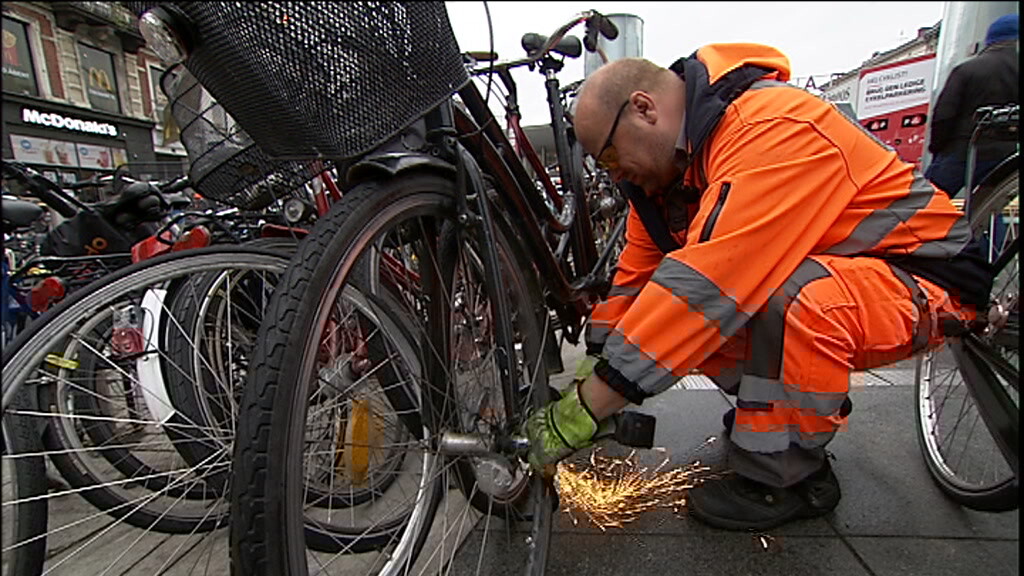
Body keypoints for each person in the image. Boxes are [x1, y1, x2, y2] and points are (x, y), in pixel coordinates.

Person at [523, 45, 994, 531]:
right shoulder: (669, 180)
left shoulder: (769, 126)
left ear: (643, 108)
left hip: (925, 278)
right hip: (848, 275)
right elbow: (635, 286)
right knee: (686, 315)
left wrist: (588, 408)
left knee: (776, 298)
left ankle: (787, 476)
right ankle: (771, 419)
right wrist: (591, 371)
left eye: (612, 156)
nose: (616, 175)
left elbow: (710, 283)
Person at [925, 13, 1018, 197]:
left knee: (925, 200)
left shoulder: (967, 70)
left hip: (964, 150)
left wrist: (937, 149)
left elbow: (944, 115)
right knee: (996, 203)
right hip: (1008, 154)